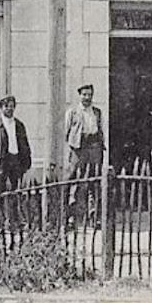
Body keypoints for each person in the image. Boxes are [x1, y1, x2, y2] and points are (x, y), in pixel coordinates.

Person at [0, 94, 32, 226]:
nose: (9, 109)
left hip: (16, 161)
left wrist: (26, 161)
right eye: (6, 107)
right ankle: (0, 220)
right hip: (2, 162)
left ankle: (14, 219)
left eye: (11, 107)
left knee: (15, 191)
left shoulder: (19, 125)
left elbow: (25, 144)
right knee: (0, 192)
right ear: (0, 108)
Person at [64, 84, 106, 222]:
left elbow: (100, 129)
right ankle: (70, 213)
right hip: (78, 148)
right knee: (75, 178)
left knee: (94, 180)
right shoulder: (73, 112)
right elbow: (66, 132)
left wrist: (100, 145)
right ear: (80, 95)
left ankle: (94, 214)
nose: (87, 97)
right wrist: (72, 148)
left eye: (89, 95)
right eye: (84, 94)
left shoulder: (97, 112)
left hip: (94, 147)